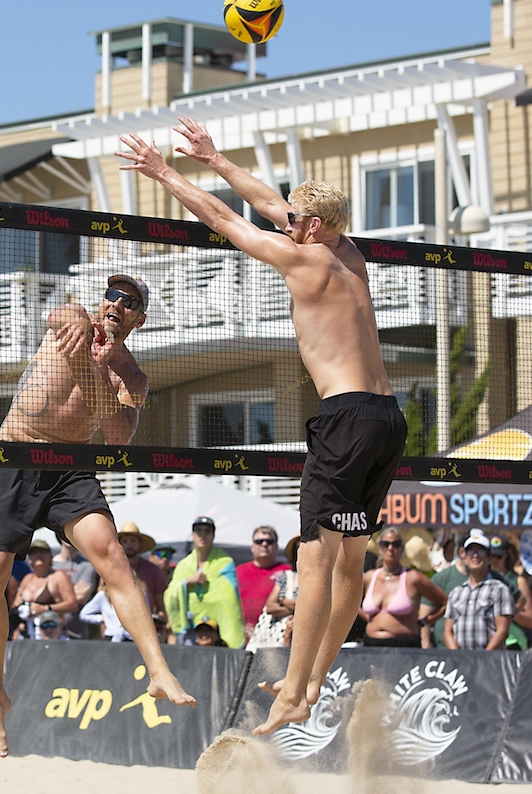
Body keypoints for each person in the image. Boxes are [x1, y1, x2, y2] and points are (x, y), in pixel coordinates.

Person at [118, 119, 407, 733]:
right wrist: (216, 158)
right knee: (350, 561)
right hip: (388, 419)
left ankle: (293, 697)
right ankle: (311, 682)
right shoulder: (347, 252)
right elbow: (271, 203)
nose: (289, 221)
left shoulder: (304, 261)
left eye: (299, 219)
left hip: (347, 418)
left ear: (317, 226)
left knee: (314, 560)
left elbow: (226, 222)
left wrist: (165, 173)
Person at [0, 275, 195, 758]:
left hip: (68, 468)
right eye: (112, 295)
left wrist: (102, 365)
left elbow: (118, 437)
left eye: (129, 301)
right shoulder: (74, 319)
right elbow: (60, 315)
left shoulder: (132, 376)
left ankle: (158, 668)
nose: (116, 303)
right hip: (14, 452)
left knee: (113, 555)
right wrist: (74, 321)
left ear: (139, 318)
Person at [421, 528, 519, 648]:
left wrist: (483, 658)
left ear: (489, 557)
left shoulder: (499, 590)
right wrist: (458, 657)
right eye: (471, 551)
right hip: (460, 661)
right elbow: (448, 632)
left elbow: (502, 631)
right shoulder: (456, 593)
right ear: (463, 555)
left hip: (490, 662)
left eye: (481, 551)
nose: (475, 555)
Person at [164, 516, 245, 649]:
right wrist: (187, 582)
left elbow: (230, 600)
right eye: (198, 531)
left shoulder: (225, 562)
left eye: (207, 531)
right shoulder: (183, 566)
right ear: (192, 535)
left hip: (218, 632)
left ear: (213, 535)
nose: (202, 535)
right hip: (192, 629)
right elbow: (169, 594)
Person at [358, 527, 447, 648]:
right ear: (379, 548)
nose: (390, 548)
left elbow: (445, 602)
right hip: (372, 643)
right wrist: (369, 618)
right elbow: (350, 603)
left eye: (396, 544)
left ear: (402, 549)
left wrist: (424, 622)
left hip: (405, 645)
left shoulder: (413, 578)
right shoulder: (369, 577)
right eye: (385, 544)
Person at [11, 539, 78, 638]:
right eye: (34, 553)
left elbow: (73, 605)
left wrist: (46, 608)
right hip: (27, 634)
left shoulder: (58, 577)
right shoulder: (27, 579)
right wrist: (22, 610)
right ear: (30, 559)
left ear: (51, 556)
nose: (38, 555)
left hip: (52, 634)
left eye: (42, 552)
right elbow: (14, 605)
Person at [236, 526, 291, 640]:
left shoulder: (287, 573)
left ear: (276, 546)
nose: (264, 544)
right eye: (259, 541)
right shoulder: (239, 571)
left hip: (271, 635)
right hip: (240, 635)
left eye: (269, 541)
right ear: (252, 547)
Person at [117, 521, 168, 628]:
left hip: (145, 624)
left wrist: (161, 621)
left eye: (133, 541)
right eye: (125, 541)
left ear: (140, 544)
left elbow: (160, 604)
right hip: (117, 625)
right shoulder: (111, 569)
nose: (129, 545)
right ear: (119, 544)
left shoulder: (153, 570)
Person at [488, 533, 532, 650]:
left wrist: (509, 612)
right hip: (486, 641)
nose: (493, 560)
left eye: (498, 556)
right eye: (491, 555)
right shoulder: (482, 580)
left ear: (507, 555)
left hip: (512, 642)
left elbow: (530, 620)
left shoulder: (518, 581)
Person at [52, 536, 98, 639]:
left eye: (73, 534)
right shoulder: (49, 564)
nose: (69, 537)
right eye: (65, 534)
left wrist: (55, 593)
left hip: (76, 633)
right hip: (49, 630)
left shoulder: (87, 565)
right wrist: (73, 590)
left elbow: (82, 597)